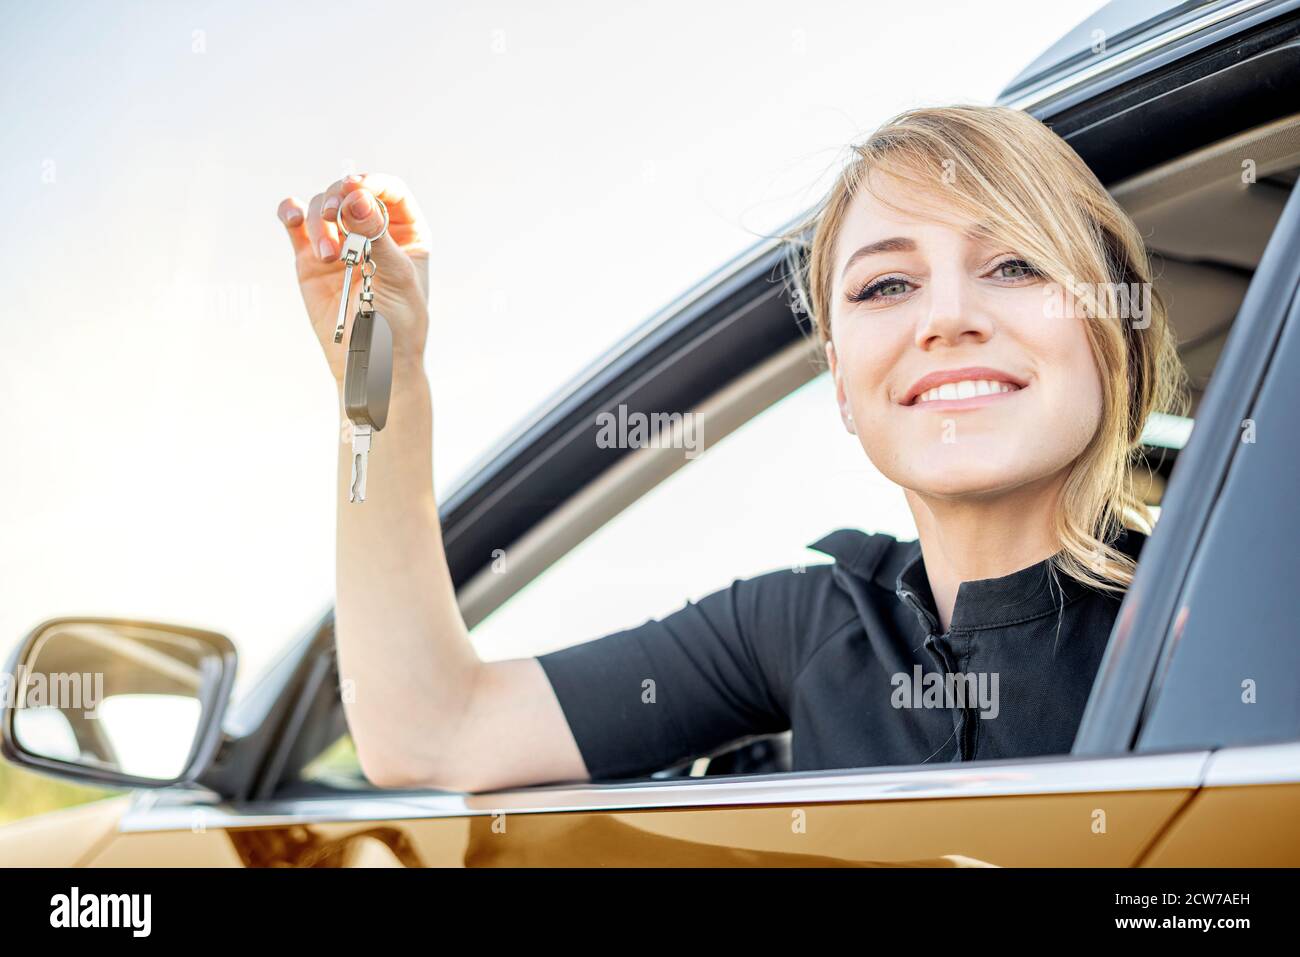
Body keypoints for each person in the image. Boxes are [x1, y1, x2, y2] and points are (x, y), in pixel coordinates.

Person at [275, 105, 1186, 792]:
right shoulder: (801, 629)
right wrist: (380, 378)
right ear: (839, 377)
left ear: (1116, 330)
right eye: (887, 284)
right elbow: (430, 728)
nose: (946, 317)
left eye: (1016, 264)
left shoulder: (1219, 613)